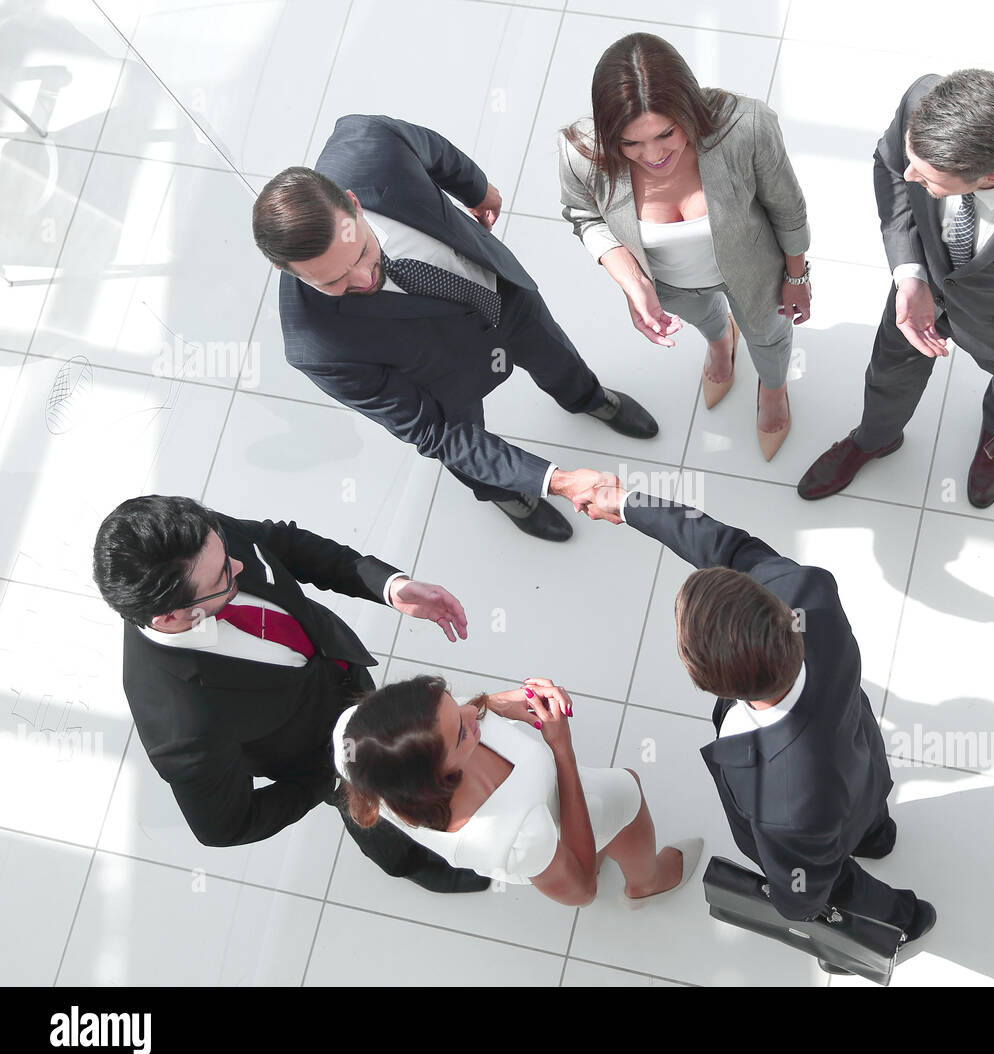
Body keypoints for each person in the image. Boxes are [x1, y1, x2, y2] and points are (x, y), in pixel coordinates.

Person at [253, 114, 659, 544]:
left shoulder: (370, 144)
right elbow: (438, 433)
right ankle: (507, 494)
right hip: (442, 382)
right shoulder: (316, 347)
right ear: (283, 269)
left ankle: (587, 398)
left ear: (353, 204)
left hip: (498, 291)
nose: (362, 280)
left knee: (552, 349)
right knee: (469, 451)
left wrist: (477, 189)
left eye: (362, 254)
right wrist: (556, 481)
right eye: (332, 281)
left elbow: (431, 149)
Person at [579, 483, 936, 972]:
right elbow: (728, 546)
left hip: (817, 825)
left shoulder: (782, 798)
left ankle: (907, 918)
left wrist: (801, 913)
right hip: (862, 759)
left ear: (704, 680)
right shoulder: (809, 594)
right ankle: (878, 834)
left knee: (840, 882)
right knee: (869, 812)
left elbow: (803, 889)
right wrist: (625, 503)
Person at [91, 494, 486, 893]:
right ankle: (408, 860)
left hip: (340, 669)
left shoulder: (198, 539)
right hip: (326, 756)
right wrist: (331, 777)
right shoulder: (180, 723)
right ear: (171, 617)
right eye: (223, 577)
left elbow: (283, 545)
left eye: (226, 552)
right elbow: (224, 826)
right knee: (373, 815)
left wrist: (386, 585)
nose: (240, 567)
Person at [798, 69, 994, 508]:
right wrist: (909, 274)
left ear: (988, 177)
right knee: (888, 370)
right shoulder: (922, 102)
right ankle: (873, 439)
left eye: (928, 177)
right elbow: (891, 166)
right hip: (921, 288)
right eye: (914, 160)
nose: (911, 175)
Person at [559, 33, 812, 461]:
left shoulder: (747, 126)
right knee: (706, 319)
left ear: (688, 110)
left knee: (769, 339)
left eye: (666, 133)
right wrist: (632, 282)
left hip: (755, 272)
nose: (653, 155)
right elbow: (584, 215)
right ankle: (719, 344)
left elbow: (787, 208)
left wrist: (797, 274)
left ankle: (773, 387)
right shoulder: (580, 151)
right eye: (630, 143)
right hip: (669, 284)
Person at [335, 674, 703, 907]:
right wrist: (562, 749)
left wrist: (496, 704)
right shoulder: (515, 837)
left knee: (610, 811)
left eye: (453, 702)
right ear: (435, 779)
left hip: (552, 824)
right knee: (629, 790)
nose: (470, 714)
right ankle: (646, 882)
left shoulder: (357, 738)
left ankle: (609, 849)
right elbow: (581, 890)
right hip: (554, 833)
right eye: (462, 731)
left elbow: (461, 714)